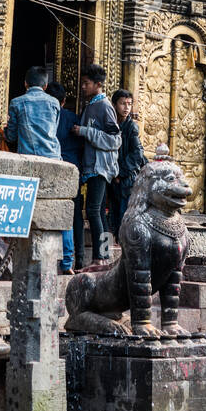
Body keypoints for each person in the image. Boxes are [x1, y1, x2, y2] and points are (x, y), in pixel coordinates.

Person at [72, 63, 120, 265]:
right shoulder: (91, 105)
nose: (83, 87)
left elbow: (114, 139)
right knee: (99, 211)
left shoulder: (104, 106)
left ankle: (100, 257)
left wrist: (84, 132)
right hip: (92, 165)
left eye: (86, 83)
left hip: (100, 167)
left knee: (93, 210)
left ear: (98, 84)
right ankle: (105, 255)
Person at [46, 81, 82, 274]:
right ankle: (69, 261)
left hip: (49, 166)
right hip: (70, 168)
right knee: (68, 216)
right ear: (64, 101)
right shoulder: (72, 118)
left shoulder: (45, 117)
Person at [108, 89, 145, 238]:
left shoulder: (131, 127)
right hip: (113, 178)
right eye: (123, 103)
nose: (126, 107)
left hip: (126, 179)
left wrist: (120, 172)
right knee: (113, 216)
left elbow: (137, 154)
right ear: (114, 104)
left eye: (129, 104)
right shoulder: (111, 124)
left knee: (124, 217)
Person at [3, 66, 61, 159]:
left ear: (25, 84)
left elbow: (11, 137)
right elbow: (54, 129)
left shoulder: (17, 103)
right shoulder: (55, 102)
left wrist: (4, 130)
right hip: (53, 155)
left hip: (29, 157)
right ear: (45, 86)